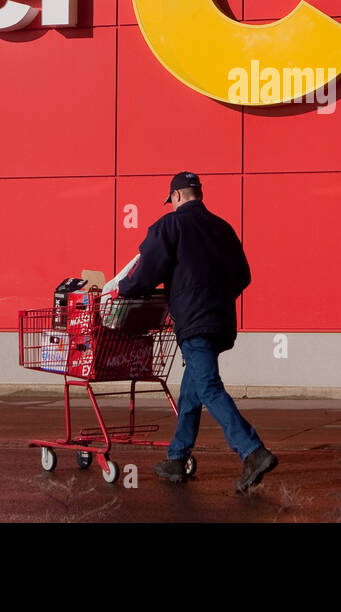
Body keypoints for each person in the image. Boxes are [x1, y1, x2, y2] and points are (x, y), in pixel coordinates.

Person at [117, 171, 278, 493]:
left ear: (176, 196)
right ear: (198, 194)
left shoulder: (170, 225)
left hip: (193, 320)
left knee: (208, 386)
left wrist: (124, 289)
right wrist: (217, 297)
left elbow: (146, 272)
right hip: (221, 320)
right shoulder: (223, 228)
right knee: (192, 390)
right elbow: (243, 275)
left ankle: (252, 451)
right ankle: (176, 458)